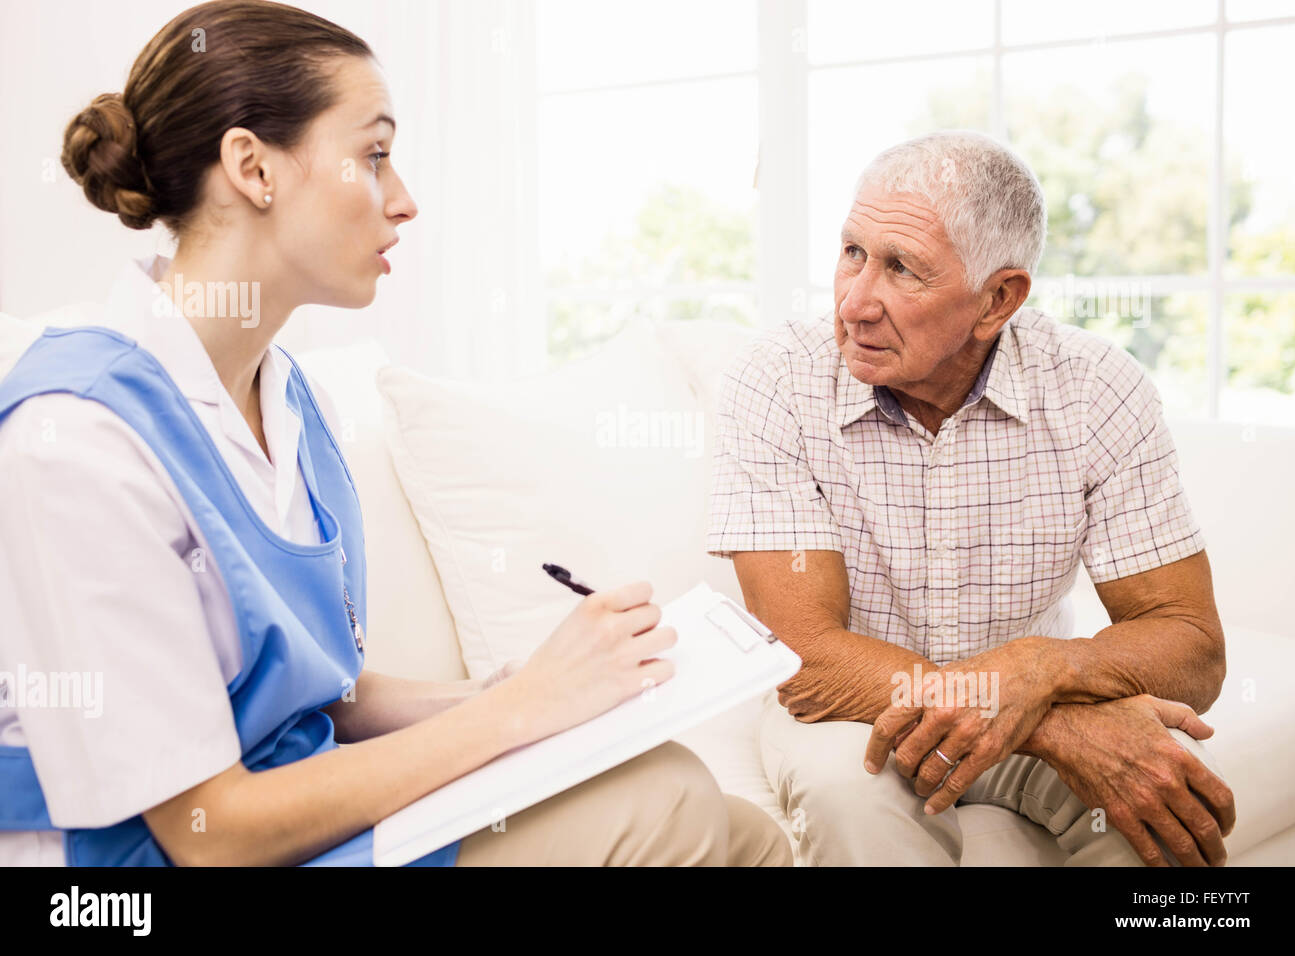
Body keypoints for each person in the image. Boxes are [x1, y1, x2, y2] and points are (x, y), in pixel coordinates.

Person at [0, 0, 790, 868]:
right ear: (252, 168)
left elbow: (324, 698)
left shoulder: (295, 405)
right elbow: (211, 833)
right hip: (150, 869)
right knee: (663, 799)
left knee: (741, 831)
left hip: (293, 812)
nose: (404, 200)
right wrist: (515, 715)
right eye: (373, 156)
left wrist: (529, 692)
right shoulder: (77, 440)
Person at [707, 130, 1235, 867]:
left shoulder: (1097, 389)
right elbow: (809, 659)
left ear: (998, 299)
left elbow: (1191, 644)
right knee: (843, 791)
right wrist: (1031, 713)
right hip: (855, 710)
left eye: (902, 270)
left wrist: (1041, 669)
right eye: (852, 252)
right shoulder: (776, 380)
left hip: (1041, 692)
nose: (855, 302)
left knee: (1168, 790)